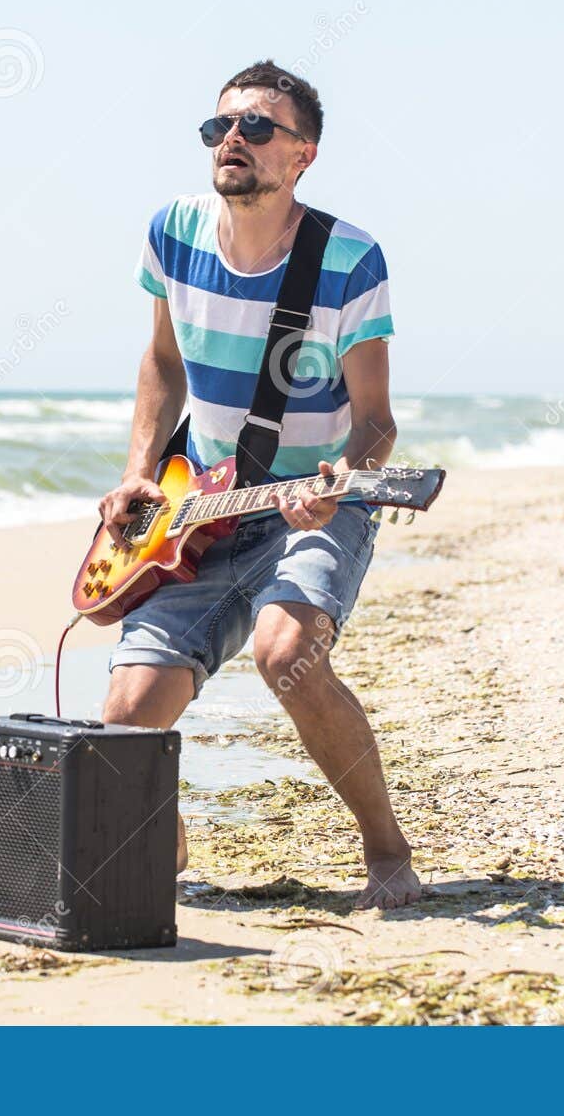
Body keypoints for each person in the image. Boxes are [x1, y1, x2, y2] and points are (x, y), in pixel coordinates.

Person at [98, 60, 420, 908]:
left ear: (303, 154)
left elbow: (377, 420)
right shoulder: (172, 231)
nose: (232, 139)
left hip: (317, 502)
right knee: (125, 721)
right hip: (199, 509)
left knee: (288, 656)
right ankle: (165, 848)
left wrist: (340, 482)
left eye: (257, 127)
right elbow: (162, 362)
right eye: (220, 126)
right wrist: (138, 474)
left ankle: (387, 850)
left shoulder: (348, 259)